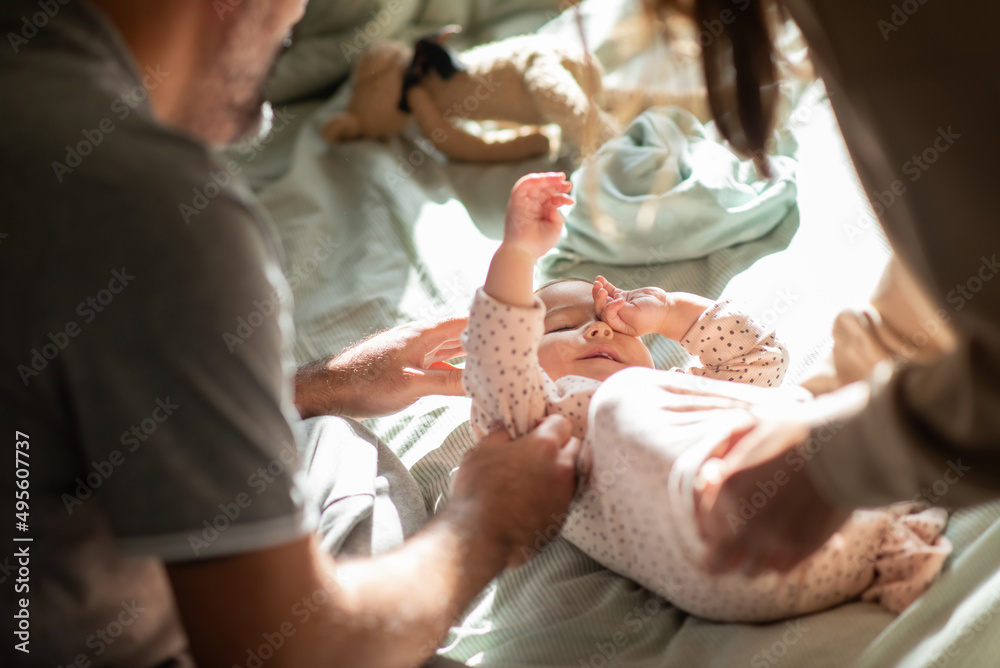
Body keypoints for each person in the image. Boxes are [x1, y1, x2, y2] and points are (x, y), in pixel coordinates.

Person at [0, 2, 581, 667]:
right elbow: (286, 650)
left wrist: (311, 388)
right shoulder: (151, 209)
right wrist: (487, 524)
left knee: (331, 445)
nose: (296, 18)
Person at [461, 172, 950, 622]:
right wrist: (518, 254)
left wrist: (673, 313)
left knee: (796, 394)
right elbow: (495, 354)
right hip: (725, 551)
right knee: (622, 403)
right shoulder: (539, 425)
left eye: (608, 323)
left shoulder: (678, 390)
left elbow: (762, 360)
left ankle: (886, 433)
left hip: (839, 525)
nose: (595, 329)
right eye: (560, 327)